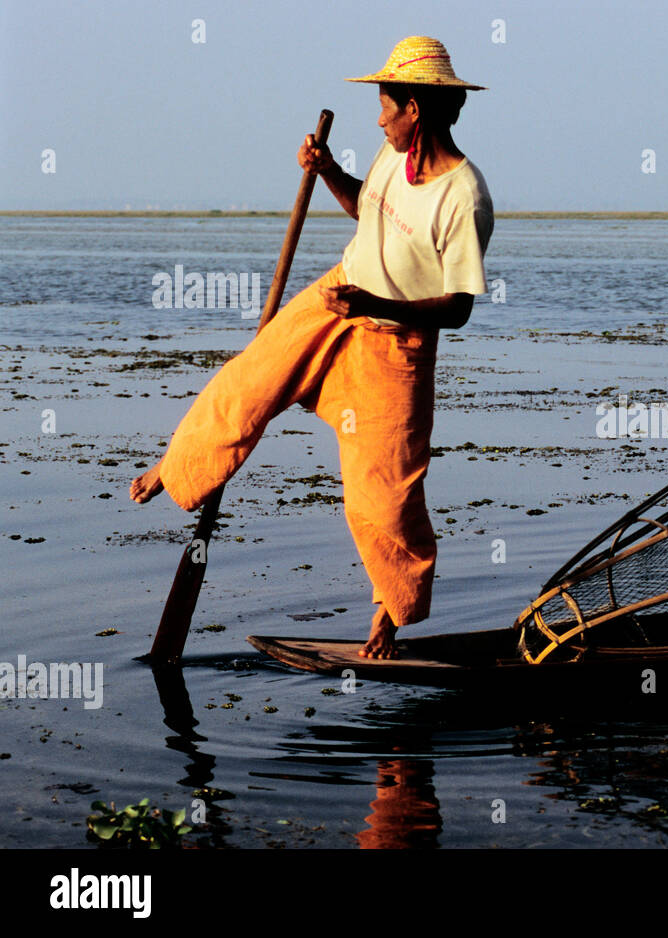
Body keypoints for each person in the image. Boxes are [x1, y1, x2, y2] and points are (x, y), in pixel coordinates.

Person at [130, 37, 494, 660]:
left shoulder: (464, 196)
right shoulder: (391, 156)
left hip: (396, 339)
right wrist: (327, 171)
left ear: (415, 108)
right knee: (248, 382)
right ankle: (180, 464)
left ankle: (391, 614)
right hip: (338, 297)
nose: (378, 119)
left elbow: (458, 307)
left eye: (385, 107)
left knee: (382, 493)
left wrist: (376, 306)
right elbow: (368, 213)